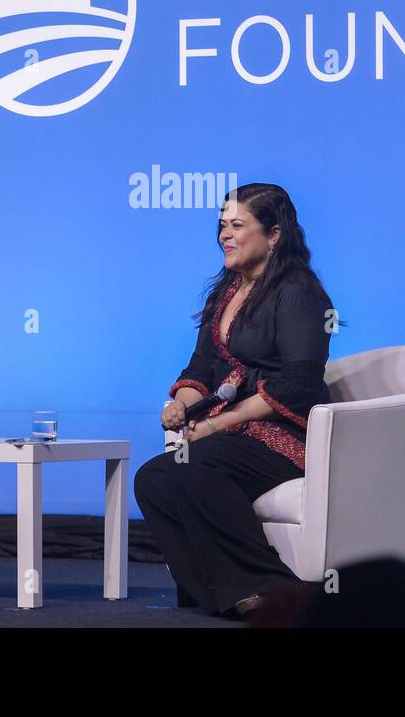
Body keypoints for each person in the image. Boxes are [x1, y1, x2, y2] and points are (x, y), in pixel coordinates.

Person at [134, 182, 335, 619]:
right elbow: (202, 366)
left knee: (199, 465)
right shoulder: (225, 292)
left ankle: (271, 587)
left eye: (238, 225)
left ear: (274, 234)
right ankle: (212, 591)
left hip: (286, 434)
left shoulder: (299, 293)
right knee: (153, 478)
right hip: (234, 431)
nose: (225, 234)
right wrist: (184, 406)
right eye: (222, 225)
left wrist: (215, 425)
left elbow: (299, 383)